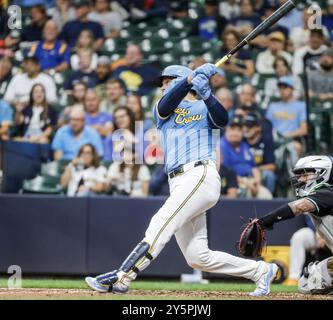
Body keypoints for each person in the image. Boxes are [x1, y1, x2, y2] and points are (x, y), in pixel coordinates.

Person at [85, 64, 278, 297]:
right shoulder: (162, 110)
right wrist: (187, 80)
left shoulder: (202, 105)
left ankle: (124, 276)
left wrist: (208, 94)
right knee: (197, 257)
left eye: (167, 81)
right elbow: (167, 103)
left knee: (160, 222)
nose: (163, 87)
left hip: (199, 174)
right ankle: (260, 271)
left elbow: (222, 120)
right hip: (178, 181)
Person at [255, 155, 333, 295]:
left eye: (305, 174)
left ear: (323, 173)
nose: (300, 179)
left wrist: (265, 221)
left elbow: (298, 207)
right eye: (299, 175)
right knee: (306, 284)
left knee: (309, 283)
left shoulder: (327, 192)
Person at [220, 116, 272, 200]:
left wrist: (257, 183)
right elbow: (226, 173)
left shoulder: (244, 145)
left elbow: (254, 167)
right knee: (246, 193)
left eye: (239, 130)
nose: (235, 133)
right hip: (234, 183)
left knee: (266, 195)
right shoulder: (222, 146)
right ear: (227, 130)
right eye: (232, 129)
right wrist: (247, 183)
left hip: (251, 180)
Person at [243, 112, 276, 195]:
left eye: (250, 126)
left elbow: (272, 166)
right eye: (245, 125)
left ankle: (268, 201)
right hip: (244, 171)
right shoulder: (241, 140)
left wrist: (256, 170)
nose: (246, 129)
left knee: (269, 175)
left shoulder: (266, 140)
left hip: (260, 171)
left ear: (258, 127)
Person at [266, 76, 307, 141]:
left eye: (285, 87)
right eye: (280, 88)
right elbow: (267, 126)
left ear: (292, 89)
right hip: (274, 140)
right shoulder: (272, 106)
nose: (282, 90)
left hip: (293, 140)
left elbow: (304, 129)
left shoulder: (301, 106)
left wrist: (285, 136)